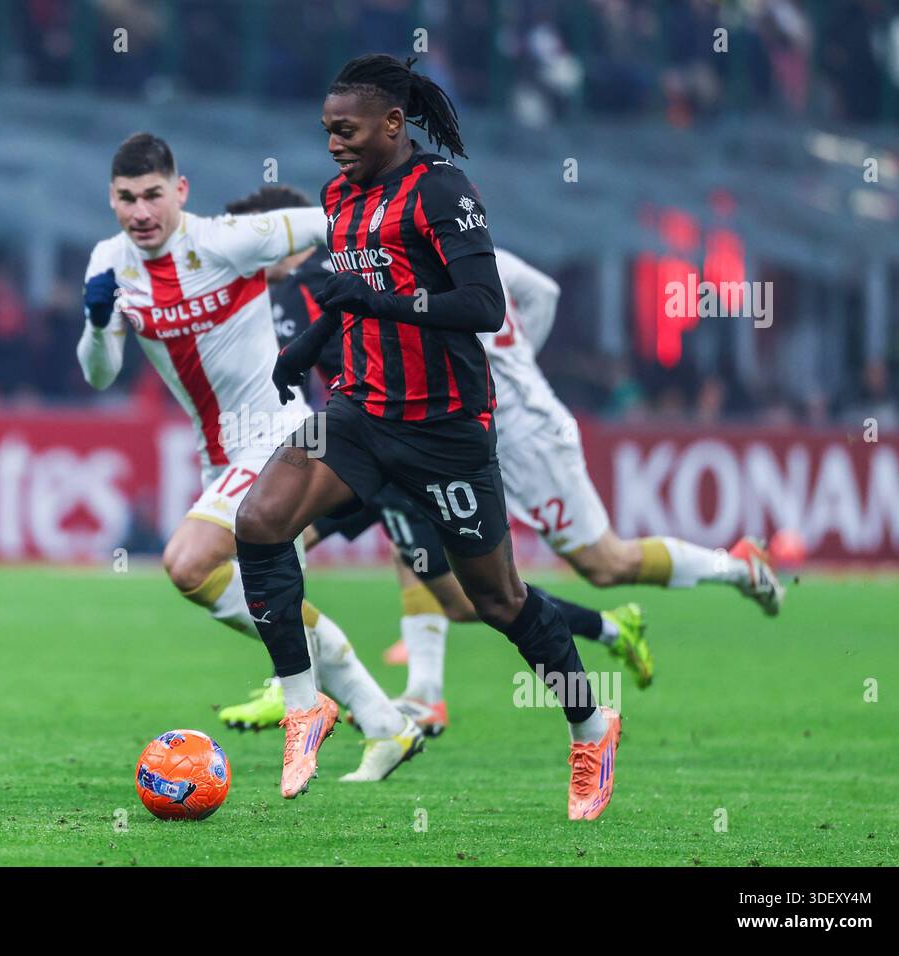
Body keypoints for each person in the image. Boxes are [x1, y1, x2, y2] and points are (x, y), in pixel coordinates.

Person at [233, 54, 620, 819]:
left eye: (346, 130)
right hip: (360, 414)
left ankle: (591, 724)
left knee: (499, 602)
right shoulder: (338, 197)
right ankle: (305, 703)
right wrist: (312, 343)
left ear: (392, 123)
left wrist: (376, 299)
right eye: (325, 131)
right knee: (258, 521)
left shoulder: (443, 190)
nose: (334, 143)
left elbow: (481, 304)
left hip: (445, 430)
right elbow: (354, 292)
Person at [215, 186, 650, 741]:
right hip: (360, 445)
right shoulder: (328, 266)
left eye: (247, 248)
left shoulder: (332, 269)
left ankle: (601, 638)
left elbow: (476, 306)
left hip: (417, 442)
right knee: (276, 535)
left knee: (478, 599)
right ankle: (322, 690)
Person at [77, 133, 423, 788]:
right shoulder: (108, 262)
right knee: (272, 599)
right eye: (126, 199)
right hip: (220, 456)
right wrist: (97, 326)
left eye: (153, 195)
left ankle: (309, 699)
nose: (141, 212)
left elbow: (331, 220)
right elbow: (99, 375)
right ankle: (387, 724)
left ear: (180, 192)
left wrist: (400, 228)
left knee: (186, 561)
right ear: (112, 199)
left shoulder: (230, 241)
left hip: (278, 435)